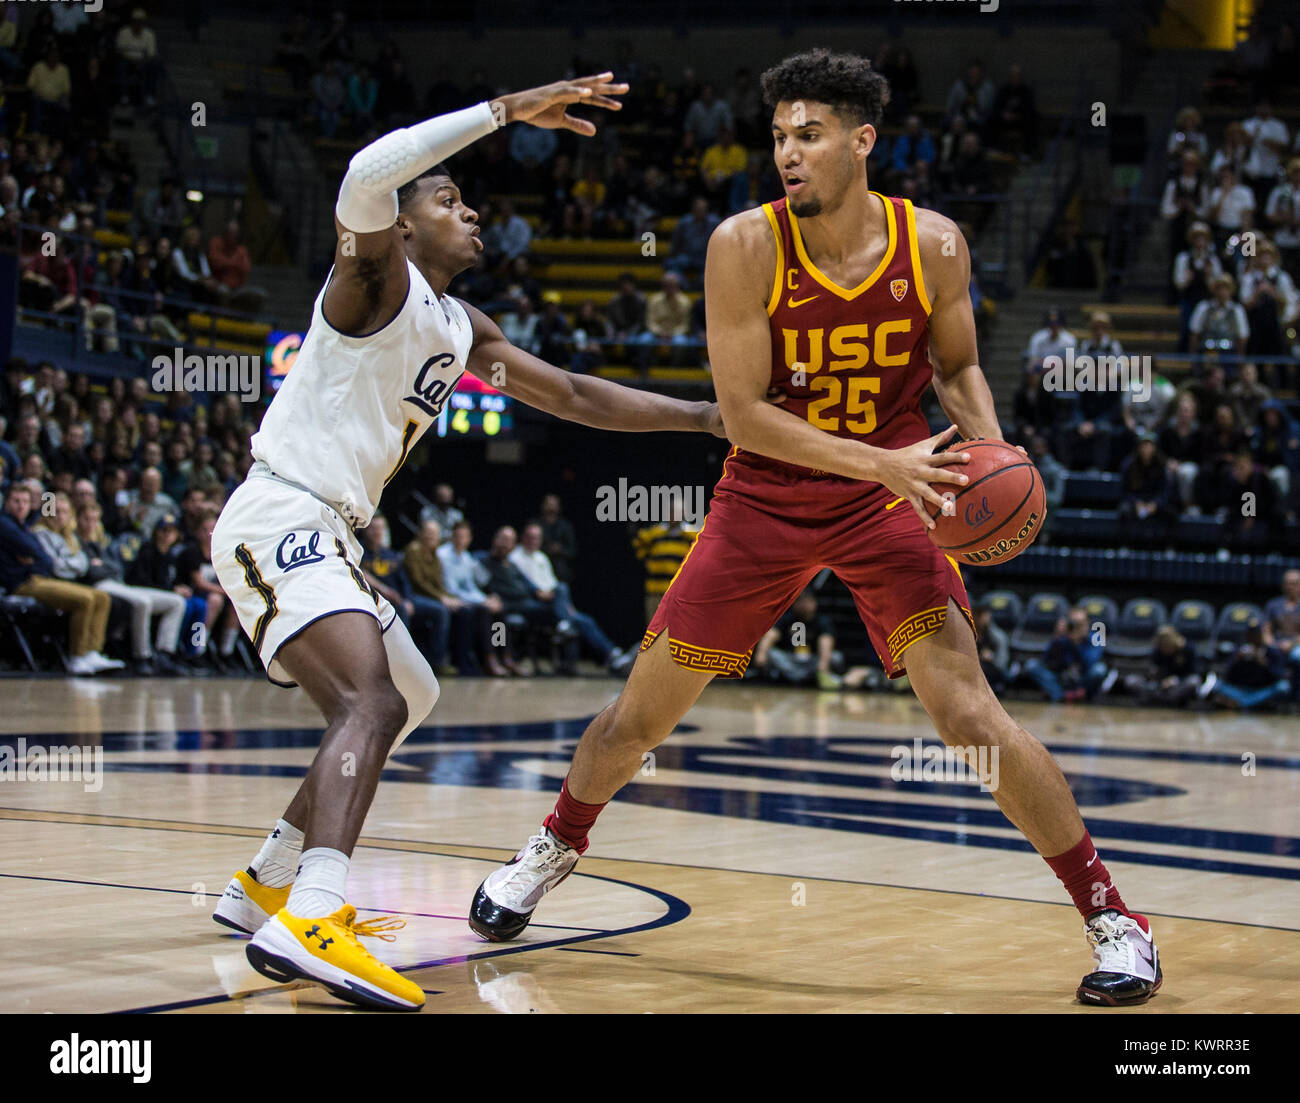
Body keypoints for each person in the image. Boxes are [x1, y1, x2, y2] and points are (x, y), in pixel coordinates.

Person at [470, 50, 1162, 1008]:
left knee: (971, 716)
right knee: (639, 718)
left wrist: (989, 459)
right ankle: (556, 840)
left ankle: (1112, 917)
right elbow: (745, 415)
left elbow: (957, 372)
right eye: (780, 138)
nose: (788, 154)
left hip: (899, 492)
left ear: (862, 140)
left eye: (809, 135)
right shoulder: (742, 246)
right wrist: (886, 462)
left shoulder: (937, 246)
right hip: (770, 492)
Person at [204, 74, 723, 1011]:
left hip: (327, 530)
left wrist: (702, 415)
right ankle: (313, 909)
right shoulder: (370, 281)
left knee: (408, 688)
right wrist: (506, 111)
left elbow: (569, 394)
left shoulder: (461, 324)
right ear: (400, 228)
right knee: (366, 699)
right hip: (279, 514)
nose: (469, 207)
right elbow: (367, 168)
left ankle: (263, 885)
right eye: (447, 199)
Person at [0, 481, 122, 675]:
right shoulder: (17, 526)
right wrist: (42, 560)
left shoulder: (62, 534)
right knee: (86, 599)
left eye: (25, 501)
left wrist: (40, 560)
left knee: (102, 597)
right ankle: (77, 656)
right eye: (16, 501)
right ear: (6, 503)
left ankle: (92, 652)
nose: (21, 505)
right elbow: (49, 562)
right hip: (24, 583)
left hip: (45, 579)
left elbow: (80, 564)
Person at [751, 589, 841, 690]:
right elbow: (771, 635)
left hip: (812, 661)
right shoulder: (786, 618)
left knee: (835, 657)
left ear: (814, 603)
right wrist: (761, 654)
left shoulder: (822, 621)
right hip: (790, 660)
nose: (803, 606)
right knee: (771, 653)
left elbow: (826, 640)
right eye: (800, 602)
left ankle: (818, 678)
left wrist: (822, 666)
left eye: (807, 602)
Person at [1122, 625, 1200, 708]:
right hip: (1158, 687)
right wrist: (1154, 675)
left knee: (1193, 681)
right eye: (1163, 646)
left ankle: (1167, 702)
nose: (1165, 649)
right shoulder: (1157, 650)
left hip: (1177, 686)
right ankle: (1154, 700)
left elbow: (1194, 672)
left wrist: (1175, 680)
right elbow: (1152, 672)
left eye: (1168, 645)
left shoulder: (1187, 649)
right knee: (1131, 680)